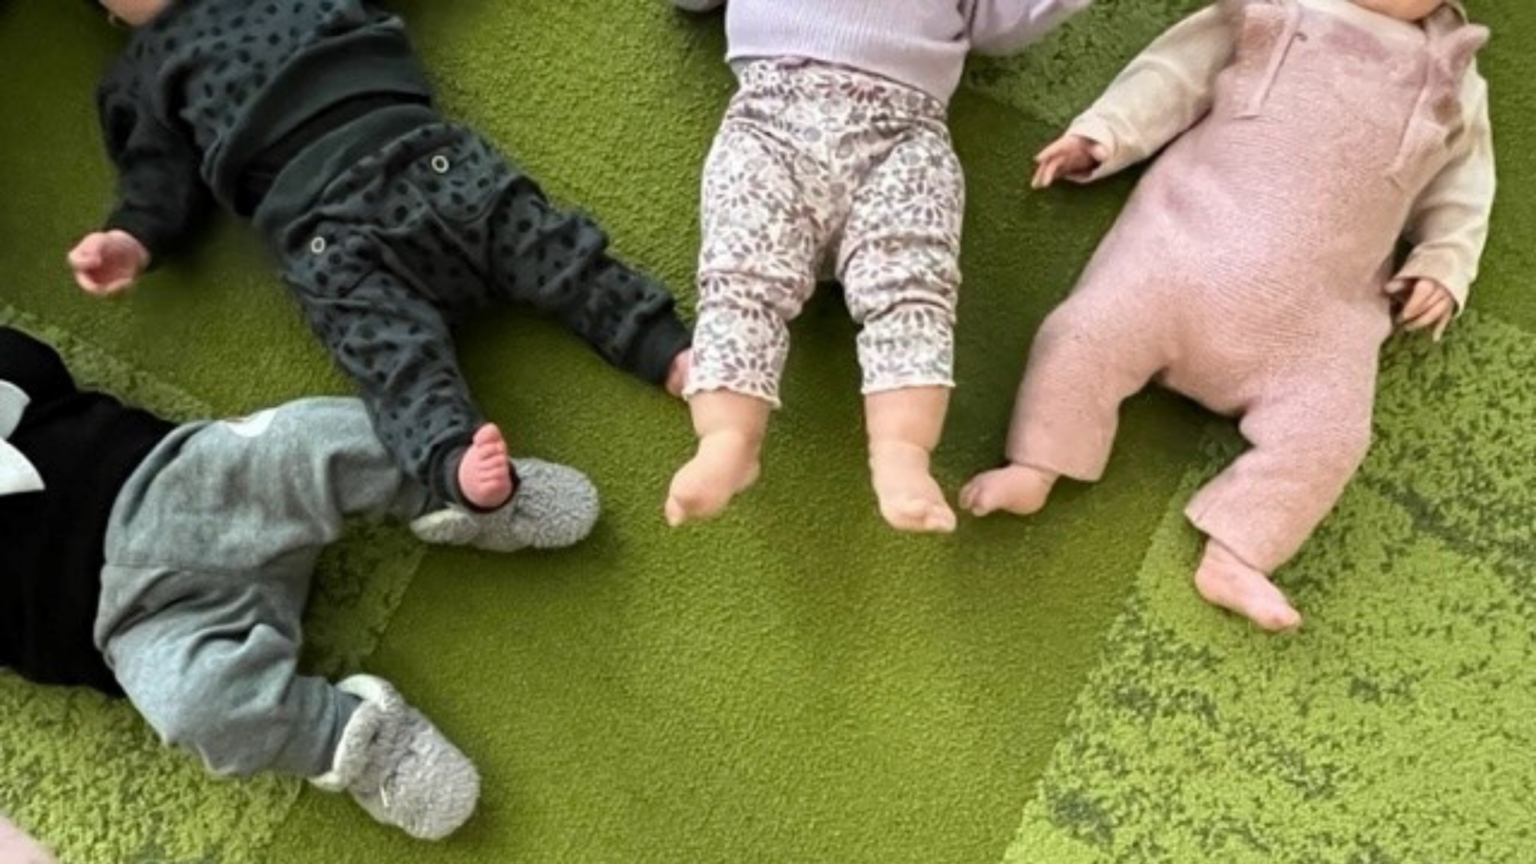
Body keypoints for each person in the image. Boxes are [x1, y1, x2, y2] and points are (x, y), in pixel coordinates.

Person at [960, 0, 1494, 630]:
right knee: (1084, 334)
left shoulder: (1453, 74)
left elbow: (1465, 186)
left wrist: (1443, 264)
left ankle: (1239, 554)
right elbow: (1174, 74)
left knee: (1331, 435)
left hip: (1316, 324)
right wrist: (1105, 132)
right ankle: (1037, 461)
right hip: (1180, 261)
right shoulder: (1270, 9)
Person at [69, 0, 692, 516]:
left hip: (430, 163)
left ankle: (669, 351)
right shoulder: (140, 70)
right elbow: (156, 181)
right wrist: (129, 241)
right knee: (393, 361)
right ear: (111, 15)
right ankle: (450, 459)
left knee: (554, 251)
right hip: (326, 237)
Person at [1, 324, 602, 838]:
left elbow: (35, 366)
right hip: (134, 622)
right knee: (193, 707)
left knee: (305, 438)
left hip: (181, 483)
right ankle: (356, 739)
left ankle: (450, 485)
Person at [664, 0, 1093, 532]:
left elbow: (999, 24)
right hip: (771, 117)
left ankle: (902, 451)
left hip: (903, 137)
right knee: (740, 283)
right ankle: (727, 438)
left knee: (914, 294)